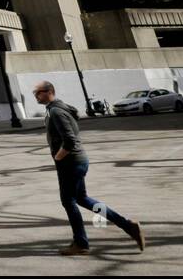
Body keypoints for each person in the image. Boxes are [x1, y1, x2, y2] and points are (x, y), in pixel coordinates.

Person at [34, 80, 145, 256]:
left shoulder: (56, 111)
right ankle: (128, 226)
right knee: (82, 198)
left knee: (68, 201)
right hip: (77, 162)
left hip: (70, 163)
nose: (35, 95)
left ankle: (81, 243)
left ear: (49, 91)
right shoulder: (58, 109)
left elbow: (69, 140)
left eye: (38, 92)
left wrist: (58, 156)